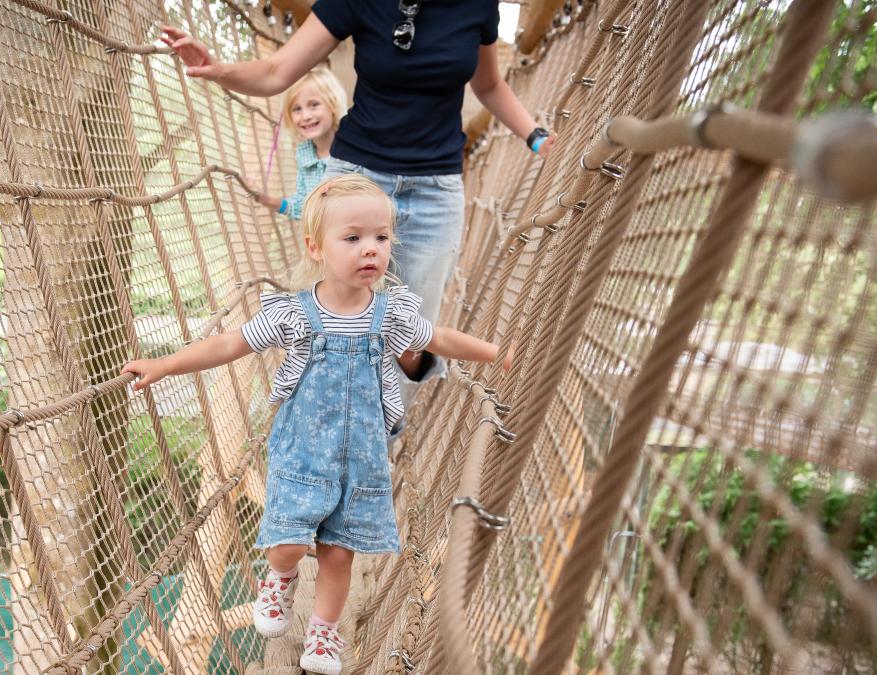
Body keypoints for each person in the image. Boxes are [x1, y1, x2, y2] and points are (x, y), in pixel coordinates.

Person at [120, 175, 512, 674]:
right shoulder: (295, 315)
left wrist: (495, 353)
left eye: (381, 238)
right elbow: (228, 344)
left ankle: (323, 636)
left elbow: (439, 338)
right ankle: (278, 578)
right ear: (317, 247)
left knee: (338, 554)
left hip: (363, 458)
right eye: (353, 238)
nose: (370, 249)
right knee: (288, 544)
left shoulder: (391, 314)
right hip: (301, 451)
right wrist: (164, 364)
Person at [162, 1, 555, 392]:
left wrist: (535, 136)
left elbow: (487, 85)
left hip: (434, 190)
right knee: (331, 320)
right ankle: (318, 425)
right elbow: (276, 71)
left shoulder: (478, 6)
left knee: (409, 340)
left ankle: (380, 437)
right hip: (357, 178)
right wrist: (219, 70)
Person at [253, 68, 348, 220]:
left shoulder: (352, 148)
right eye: (297, 109)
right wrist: (268, 200)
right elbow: (303, 206)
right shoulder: (305, 154)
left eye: (314, 105)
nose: (306, 116)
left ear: (332, 105)